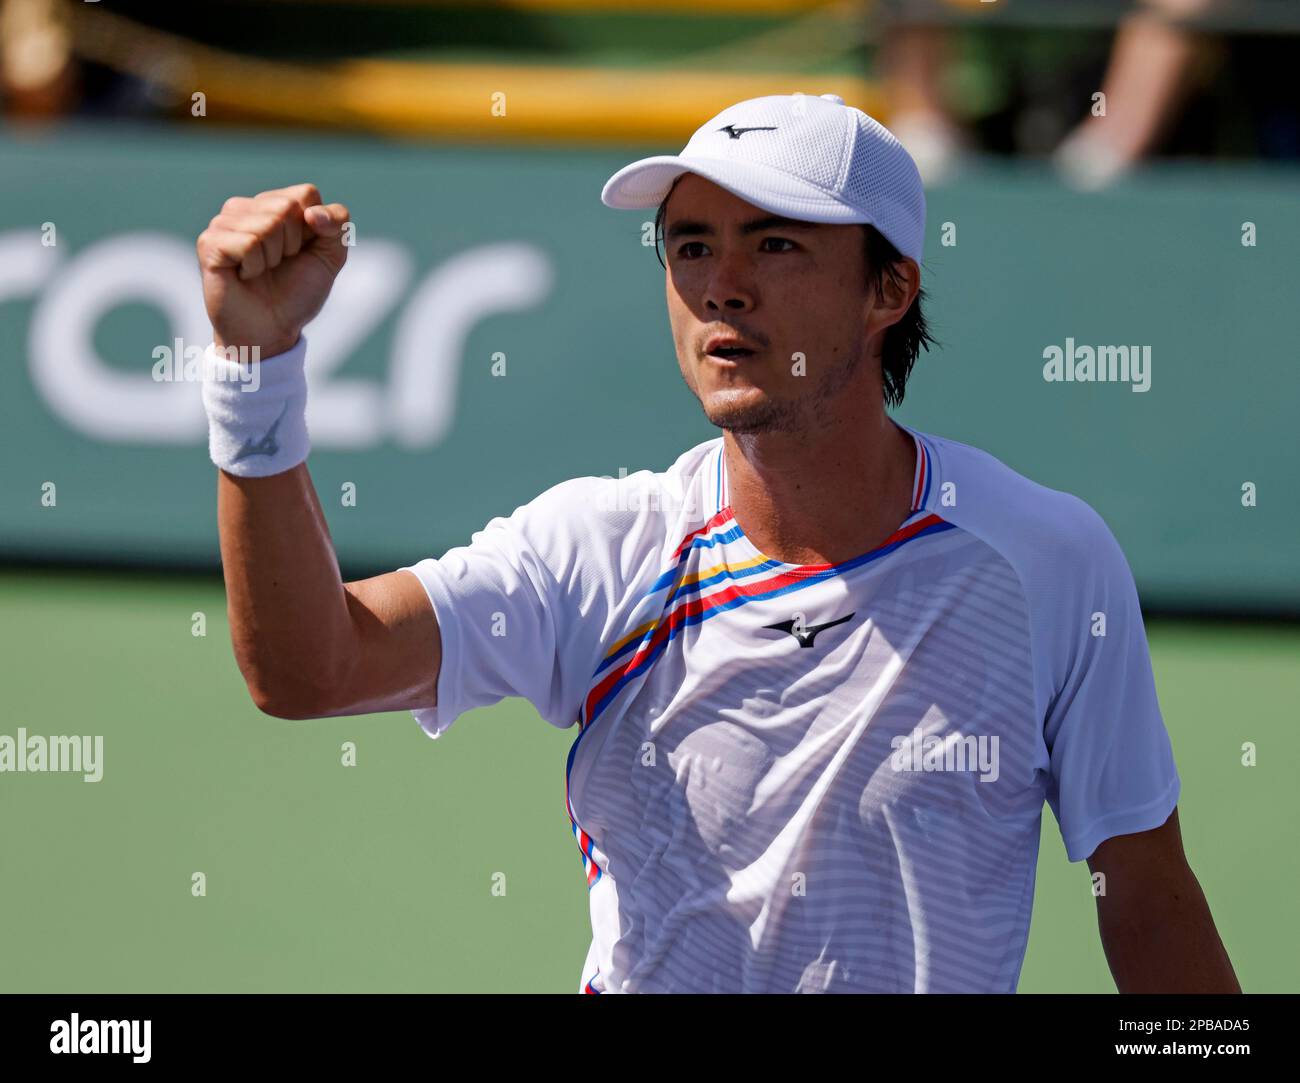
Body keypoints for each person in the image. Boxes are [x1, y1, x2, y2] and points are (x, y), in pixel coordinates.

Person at [195, 91, 1239, 994]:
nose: (720, 286)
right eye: (691, 245)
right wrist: (254, 369)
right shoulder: (597, 549)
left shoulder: (1049, 561)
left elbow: (1145, 895)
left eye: (775, 243)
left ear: (889, 289)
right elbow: (308, 670)